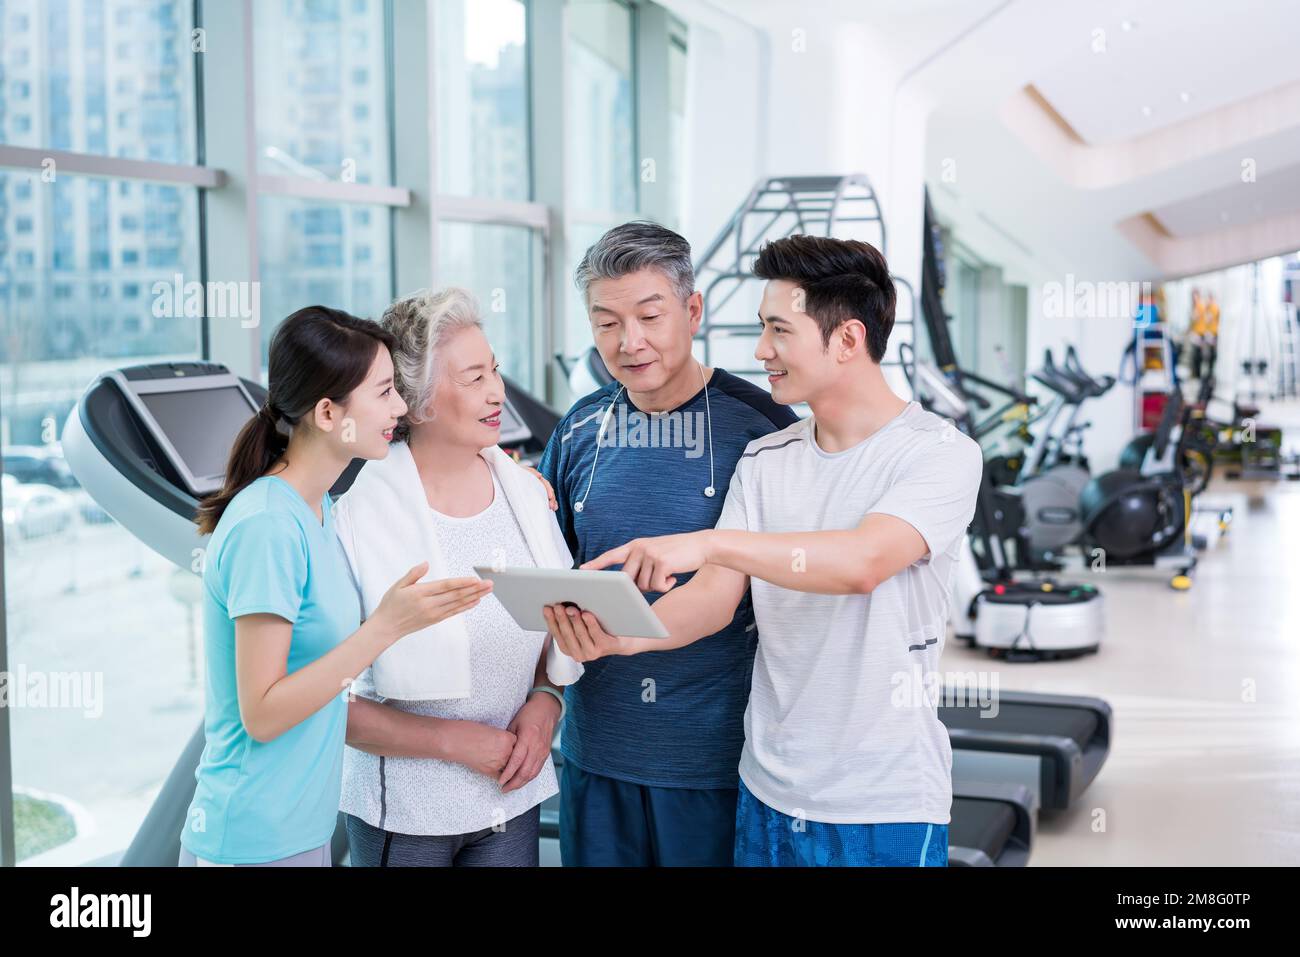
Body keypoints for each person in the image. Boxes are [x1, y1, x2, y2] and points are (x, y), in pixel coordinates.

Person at [545, 235, 983, 867]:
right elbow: (714, 599)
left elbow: (861, 564)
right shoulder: (767, 458)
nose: (760, 351)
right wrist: (619, 637)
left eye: (779, 330)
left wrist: (706, 541)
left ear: (846, 339)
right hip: (767, 786)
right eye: (762, 328)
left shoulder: (939, 453)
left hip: (879, 799)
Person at [182, 306, 493, 866]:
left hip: (300, 832)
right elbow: (264, 712)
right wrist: (385, 629)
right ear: (329, 413)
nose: (400, 408)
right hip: (249, 837)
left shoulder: (317, 507)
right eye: (383, 393)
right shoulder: (268, 527)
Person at [538, 222, 799, 866]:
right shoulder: (580, 428)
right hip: (595, 755)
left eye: (650, 316)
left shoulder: (762, 428)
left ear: (692, 310)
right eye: (606, 324)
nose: (630, 343)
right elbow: (547, 573)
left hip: (715, 767)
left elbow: (765, 590)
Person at [335, 288, 582, 867]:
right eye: (473, 379)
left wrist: (547, 703)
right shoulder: (357, 515)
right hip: (406, 808)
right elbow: (327, 697)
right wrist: (454, 743)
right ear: (416, 403)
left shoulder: (526, 494)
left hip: (509, 789)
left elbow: (559, 629)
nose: (497, 391)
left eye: (493, 370)